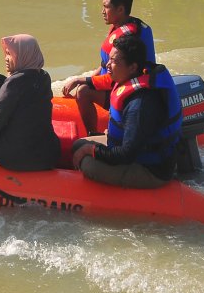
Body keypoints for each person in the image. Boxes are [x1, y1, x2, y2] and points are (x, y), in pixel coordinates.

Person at [70, 33, 181, 189]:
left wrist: (91, 149)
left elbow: (126, 154)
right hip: (130, 152)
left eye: (114, 61)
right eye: (109, 58)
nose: (107, 65)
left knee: (88, 164)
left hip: (150, 169)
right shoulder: (127, 80)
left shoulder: (139, 105)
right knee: (78, 145)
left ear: (133, 67)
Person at [62, 0, 156, 133]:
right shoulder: (119, 25)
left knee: (83, 91)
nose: (102, 11)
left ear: (120, 9)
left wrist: (81, 80)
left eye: (106, 7)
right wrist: (91, 77)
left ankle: (93, 134)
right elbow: (106, 64)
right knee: (84, 86)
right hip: (113, 81)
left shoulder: (127, 38)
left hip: (127, 90)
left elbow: (114, 78)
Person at [0, 34, 61, 172]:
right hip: (48, 155)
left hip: (17, 159)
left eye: (10, 54)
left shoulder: (14, 83)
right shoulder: (44, 77)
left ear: (23, 55)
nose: (6, 59)